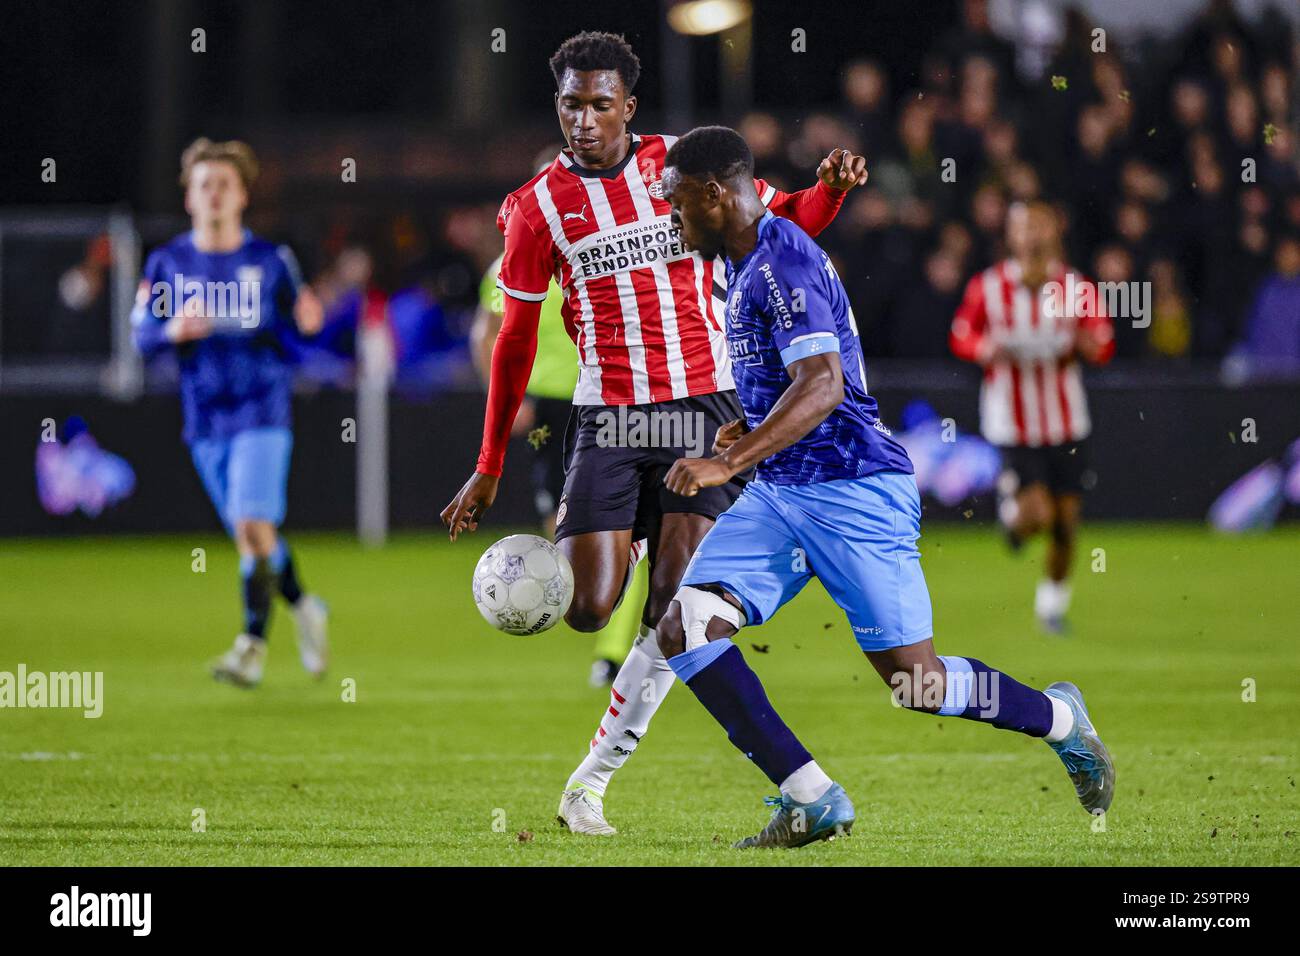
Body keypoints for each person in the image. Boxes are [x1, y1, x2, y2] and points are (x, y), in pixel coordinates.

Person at [440, 31, 867, 836]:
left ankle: (588, 786)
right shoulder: (535, 209)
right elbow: (515, 340)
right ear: (558, 106)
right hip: (609, 416)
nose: (585, 119)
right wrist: (489, 462)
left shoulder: (682, 165)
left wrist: (831, 192)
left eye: (601, 104)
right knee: (587, 607)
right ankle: (624, 551)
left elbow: (786, 223)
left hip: (705, 411)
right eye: (571, 104)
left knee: (675, 602)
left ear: (628, 107)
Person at [654, 125, 1114, 847]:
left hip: (853, 488)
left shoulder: (781, 260)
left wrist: (727, 464)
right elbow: (786, 380)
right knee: (684, 624)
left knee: (917, 685)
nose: (671, 217)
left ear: (715, 194)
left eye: (678, 202)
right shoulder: (736, 264)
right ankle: (809, 795)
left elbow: (824, 385)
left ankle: (1060, 719)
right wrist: (746, 426)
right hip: (783, 490)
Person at [132, 137, 329, 687]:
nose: (214, 194)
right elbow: (141, 334)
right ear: (189, 196)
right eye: (204, 185)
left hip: (262, 409)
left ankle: (250, 646)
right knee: (255, 536)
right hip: (205, 418)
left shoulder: (270, 261)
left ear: (242, 195)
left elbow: (298, 337)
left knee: (249, 523)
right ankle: (305, 607)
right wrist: (171, 329)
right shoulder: (168, 263)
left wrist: (309, 326)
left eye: (224, 184)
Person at [473, 252, 647, 686]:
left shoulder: (604, 248)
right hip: (548, 410)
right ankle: (611, 619)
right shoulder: (508, 267)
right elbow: (488, 334)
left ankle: (612, 655)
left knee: (625, 527)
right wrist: (507, 402)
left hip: (607, 399)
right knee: (565, 534)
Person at [949, 201, 1115, 633]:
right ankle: (1013, 517)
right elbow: (961, 334)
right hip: (1012, 421)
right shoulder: (988, 286)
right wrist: (982, 349)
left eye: (1041, 224)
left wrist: (1091, 344)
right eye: (1025, 226)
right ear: (1012, 234)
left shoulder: (1075, 287)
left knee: (1065, 524)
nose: (1034, 235)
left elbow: (1103, 341)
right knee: (1038, 515)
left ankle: (1051, 608)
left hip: (1066, 422)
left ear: (1054, 231)